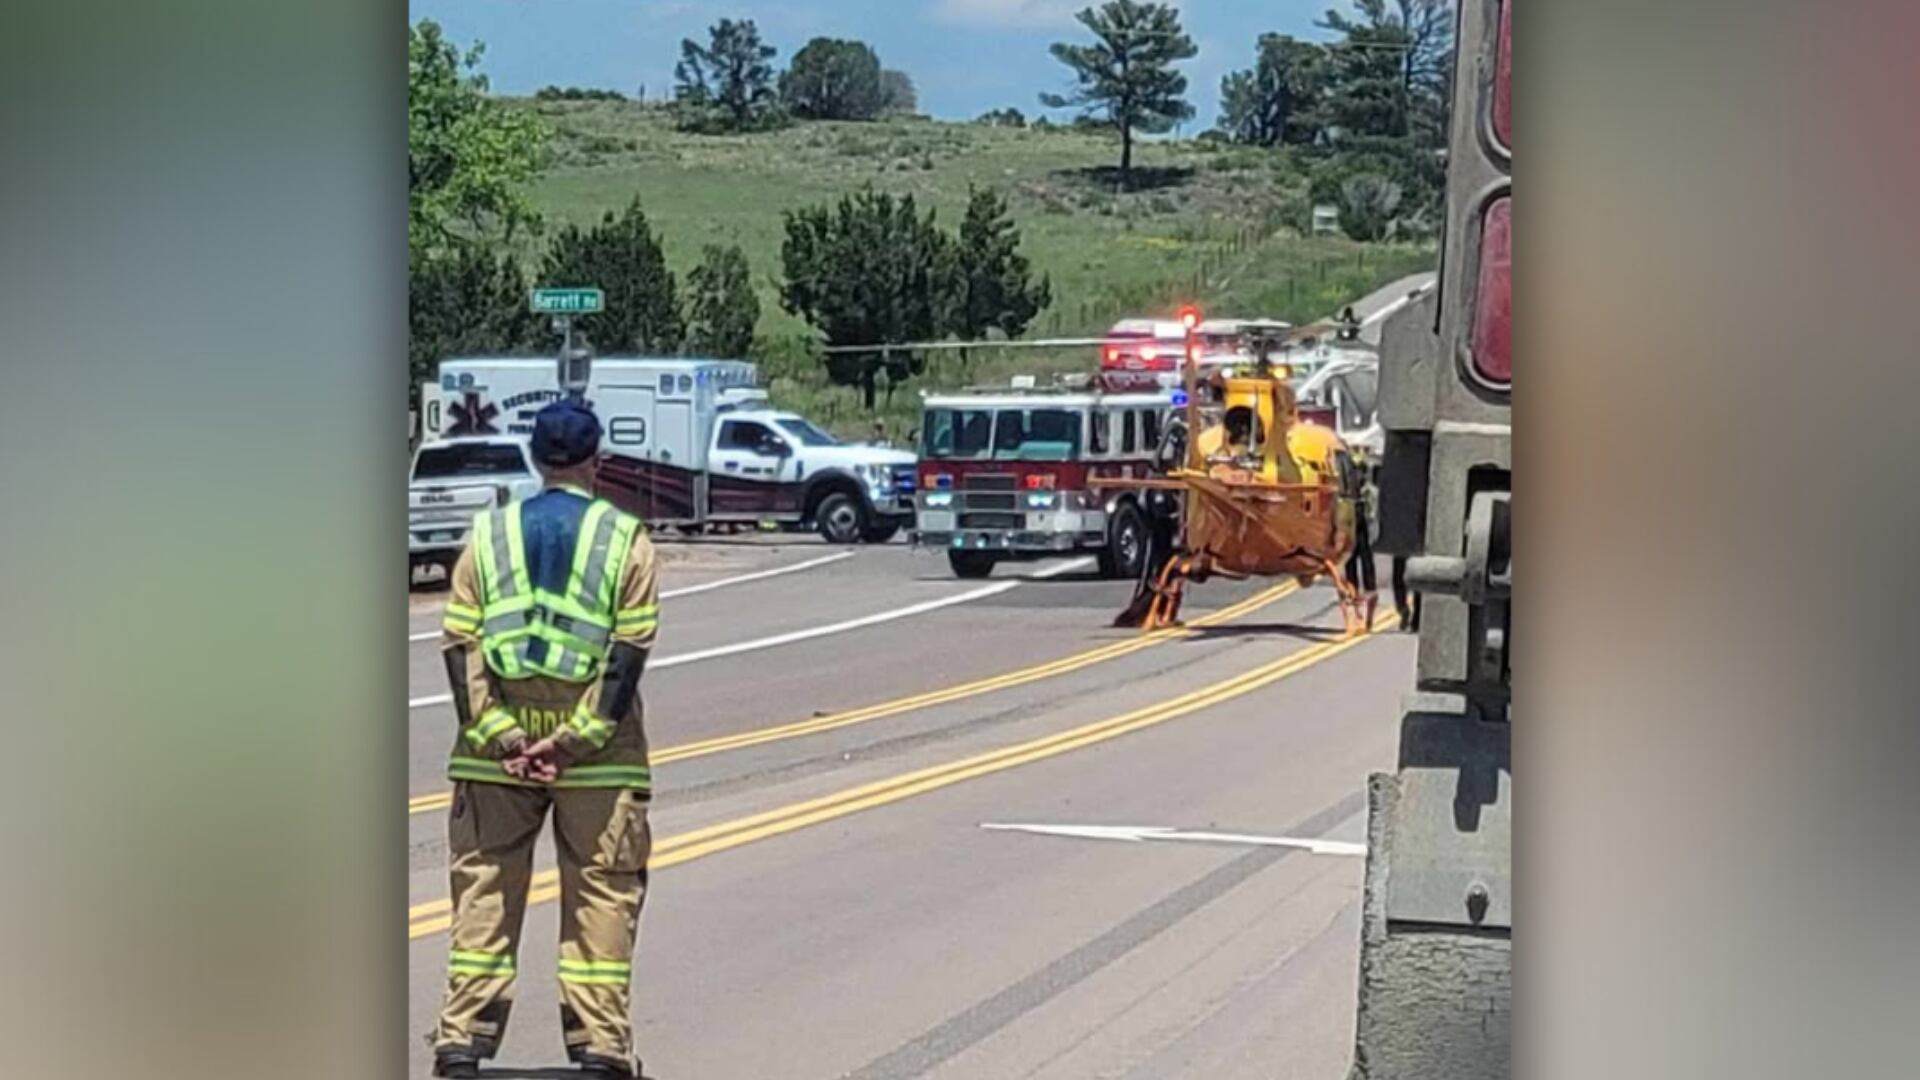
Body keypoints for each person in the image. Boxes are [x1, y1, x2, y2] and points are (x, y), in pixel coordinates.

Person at [431, 399, 660, 1080]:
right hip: (596, 761)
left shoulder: (487, 535)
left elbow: (459, 643)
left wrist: (502, 737)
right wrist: (570, 742)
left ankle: (461, 1044)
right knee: (600, 897)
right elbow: (627, 656)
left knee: (485, 894)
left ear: (535, 459)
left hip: (493, 758)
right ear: (597, 463)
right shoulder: (628, 540)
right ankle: (600, 1050)